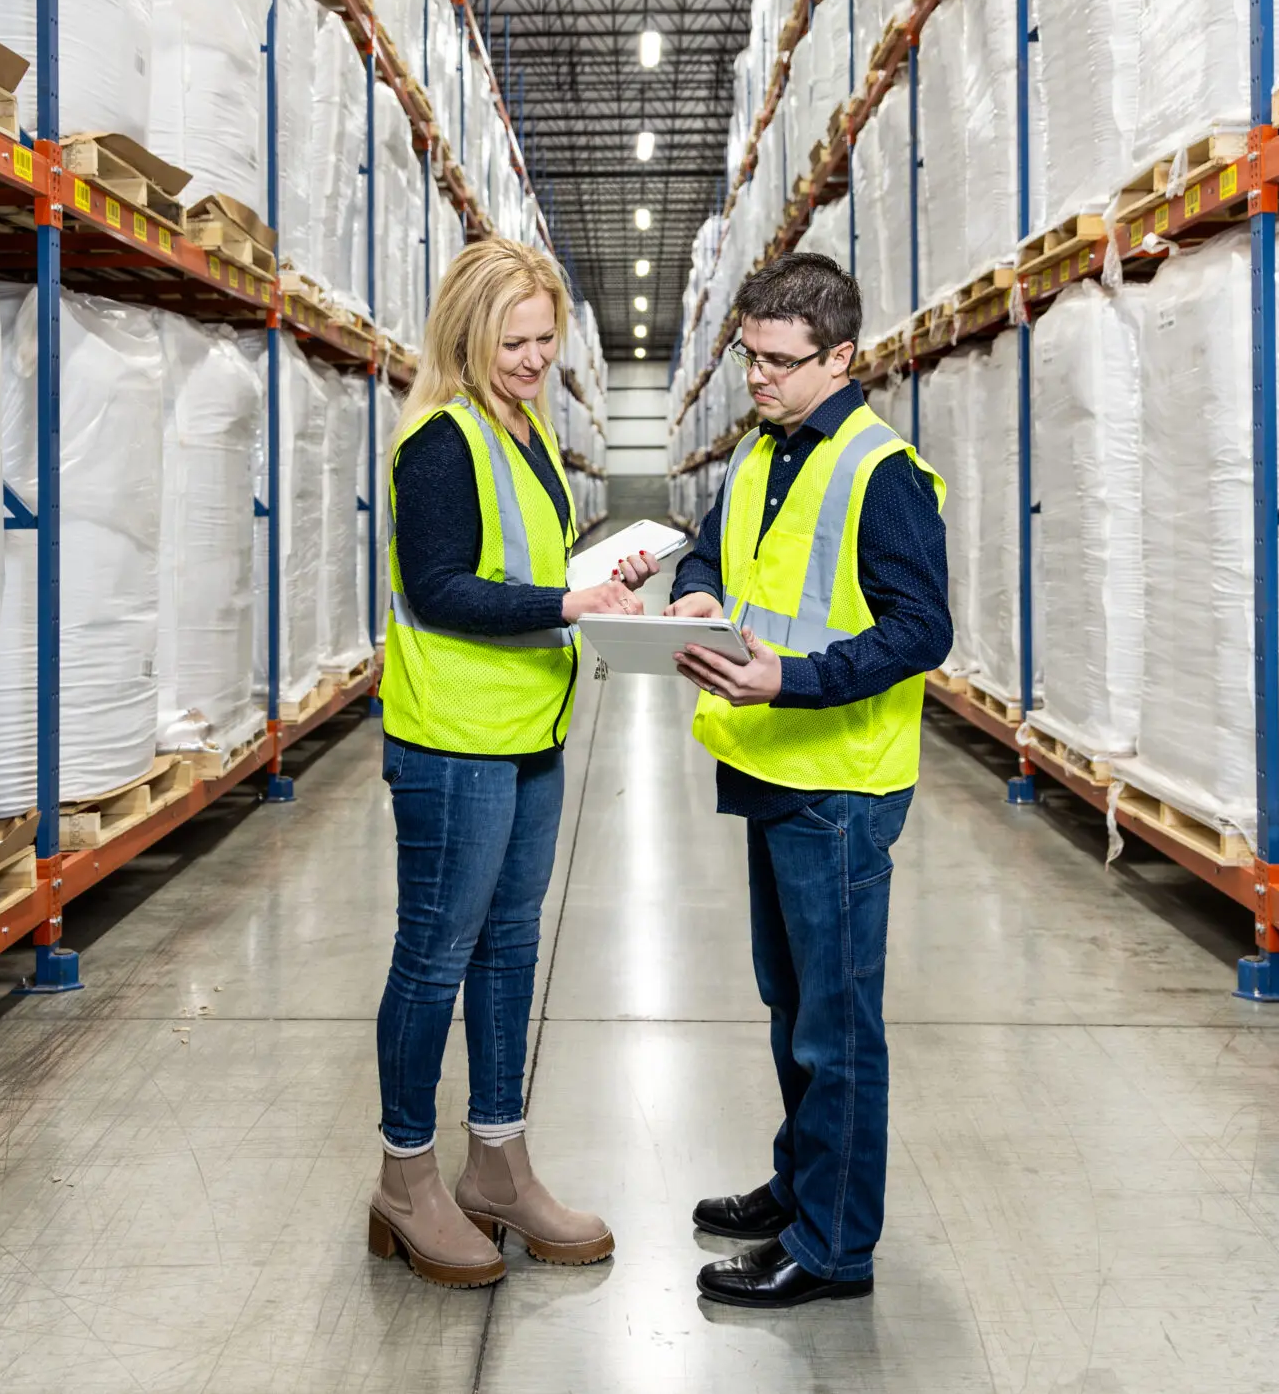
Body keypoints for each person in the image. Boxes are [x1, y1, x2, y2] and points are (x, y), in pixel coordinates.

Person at [369, 238, 659, 1288]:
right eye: (515, 342)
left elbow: (526, 567)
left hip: (531, 732)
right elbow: (441, 586)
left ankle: (497, 1163)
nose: (535, 359)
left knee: (509, 951)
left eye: (545, 339)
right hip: (454, 743)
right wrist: (566, 601)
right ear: (467, 336)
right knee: (434, 955)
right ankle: (405, 1179)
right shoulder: (441, 441)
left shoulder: (527, 432)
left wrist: (599, 577)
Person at [663, 251, 950, 1309]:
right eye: (750, 356)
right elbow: (710, 552)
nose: (757, 377)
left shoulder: (882, 473)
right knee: (791, 1007)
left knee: (837, 1025)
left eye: (780, 361)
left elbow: (922, 631)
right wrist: (698, 596)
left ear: (841, 356)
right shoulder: (760, 450)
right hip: (768, 764)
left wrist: (791, 678)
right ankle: (800, 1187)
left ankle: (833, 1247)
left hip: (838, 784)